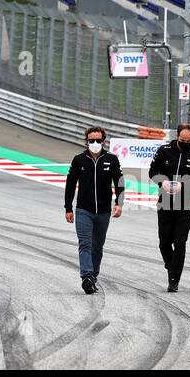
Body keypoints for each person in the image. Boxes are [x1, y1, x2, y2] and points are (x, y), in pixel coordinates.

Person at [63, 125, 124, 294]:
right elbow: (70, 185)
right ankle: (86, 276)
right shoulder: (79, 160)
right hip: (83, 210)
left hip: (104, 211)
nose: (95, 143)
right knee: (85, 244)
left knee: (97, 247)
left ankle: (93, 277)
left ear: (103, 141)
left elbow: (119, 182)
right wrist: (68, 208)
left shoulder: (112, 159)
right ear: (86, 141)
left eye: (98, 140)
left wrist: (119, 203)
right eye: (91, 140)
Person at [148, 123, 190, 292]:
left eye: (188, 141)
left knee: (180, 242)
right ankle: (171, 265)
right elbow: (152, 171)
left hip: (186, 203)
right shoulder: (163, 151)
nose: (185, 143)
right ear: (177, 136)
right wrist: (162, 181)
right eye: (182, 140)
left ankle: (174, 279)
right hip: (165, 201)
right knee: (164, 242)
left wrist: (185, 185)